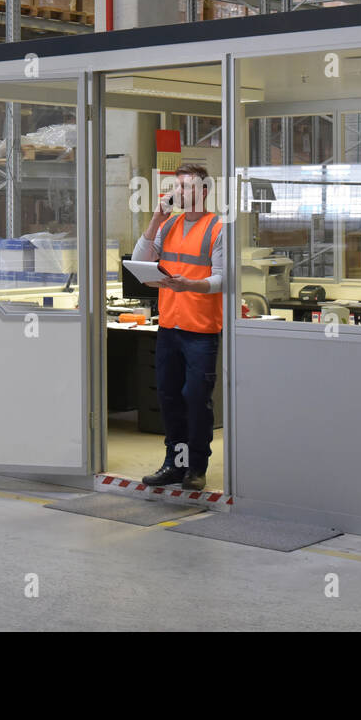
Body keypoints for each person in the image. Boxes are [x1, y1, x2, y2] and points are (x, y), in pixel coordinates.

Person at [133, 163, 223, 491]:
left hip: (201, 330)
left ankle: (196, 467)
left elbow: (223, 279)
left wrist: (192, 286)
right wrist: (156, 217)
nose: (180, 193)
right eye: (177, 187)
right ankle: (176, 463)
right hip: (169, 326)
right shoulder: (167, 225)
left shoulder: (217, 228)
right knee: (170, 397)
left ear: (204, 192)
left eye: (186, 187)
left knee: (196, 399)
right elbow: (141, 258)